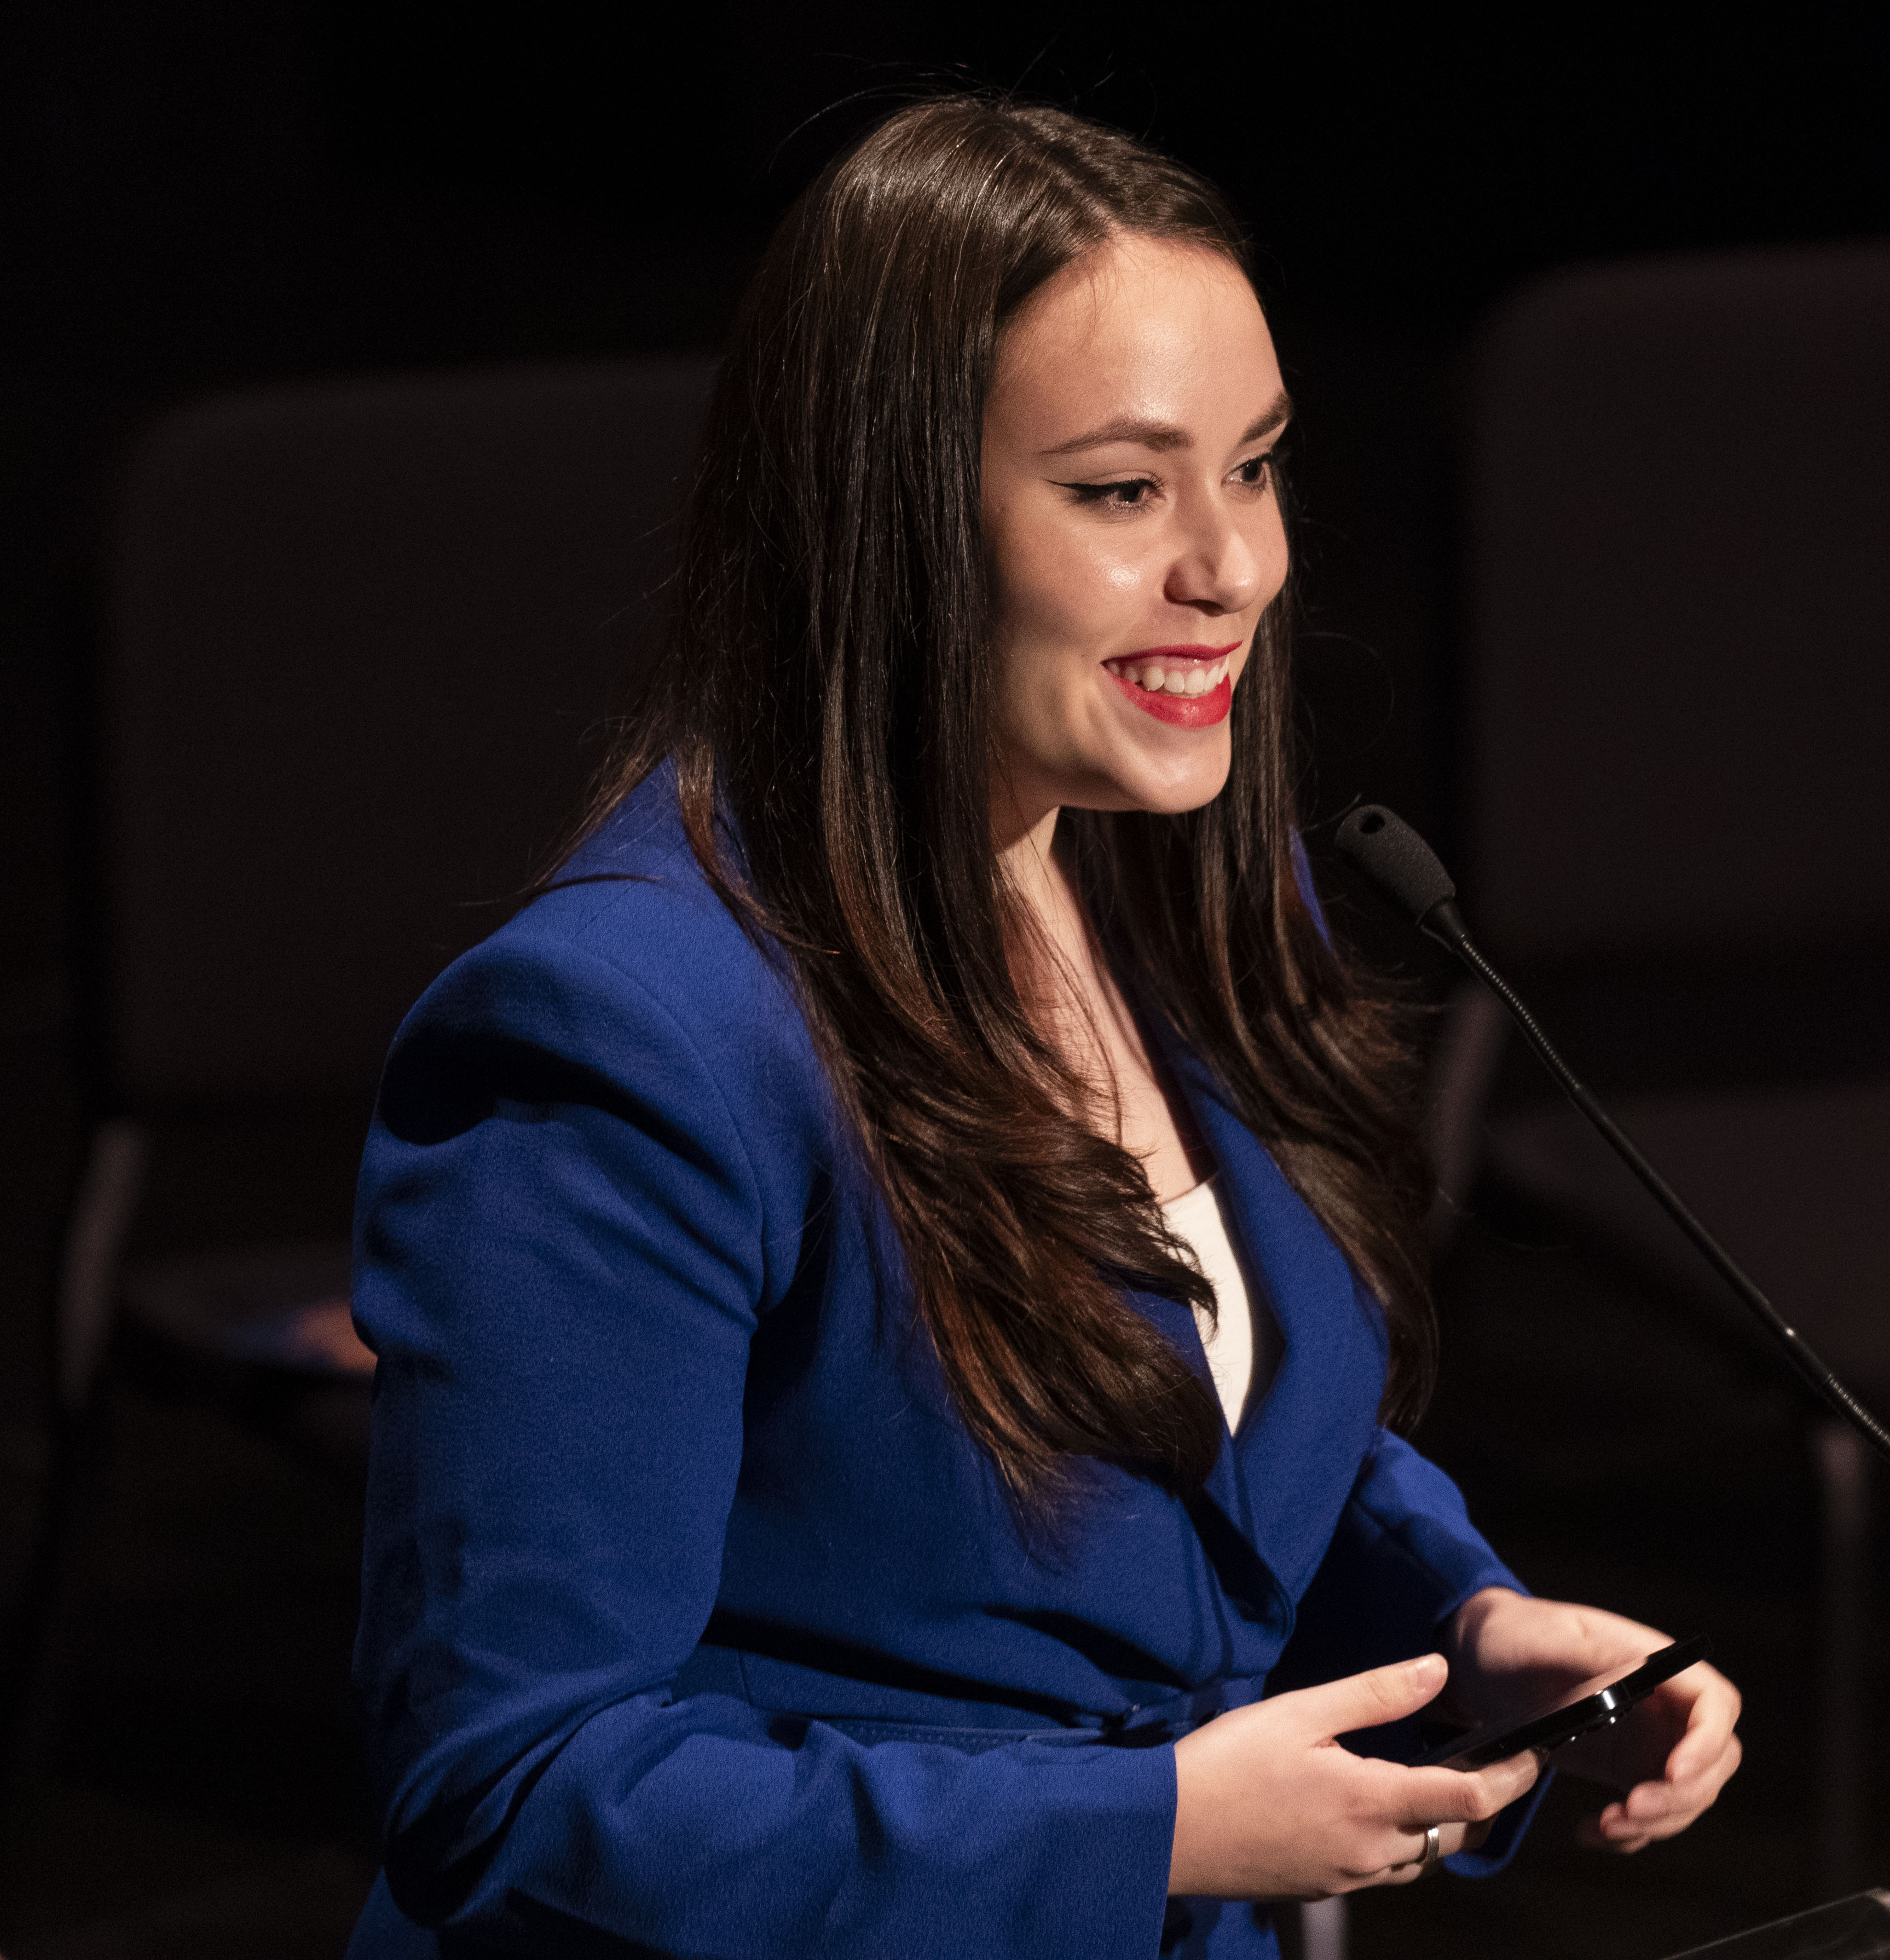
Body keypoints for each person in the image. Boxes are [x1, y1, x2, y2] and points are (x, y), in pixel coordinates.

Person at [344, 95, 1742, 1959]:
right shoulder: (622, 1042)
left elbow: (1195, 1435)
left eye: (1254, 468)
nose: (1232, 565)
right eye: (1121, 490)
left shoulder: (1181, 899)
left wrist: (1463, 1629)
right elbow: (514, 1793)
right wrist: (1149, 1826)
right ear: (892, 524)